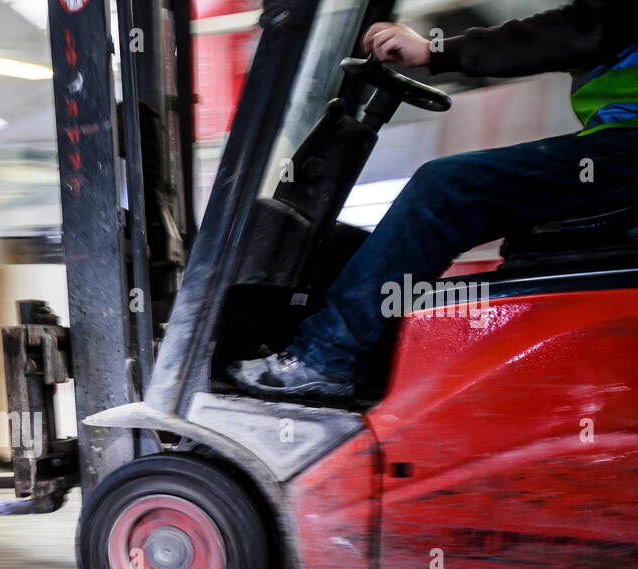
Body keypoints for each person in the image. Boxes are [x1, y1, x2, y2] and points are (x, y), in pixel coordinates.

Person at [229, 0, 638, 401]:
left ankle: (324, 357)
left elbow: (580, 30)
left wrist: (434, 50)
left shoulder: (599, 18)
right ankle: (357, 352)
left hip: (628, 150)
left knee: (445, 188)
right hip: (617, 146)